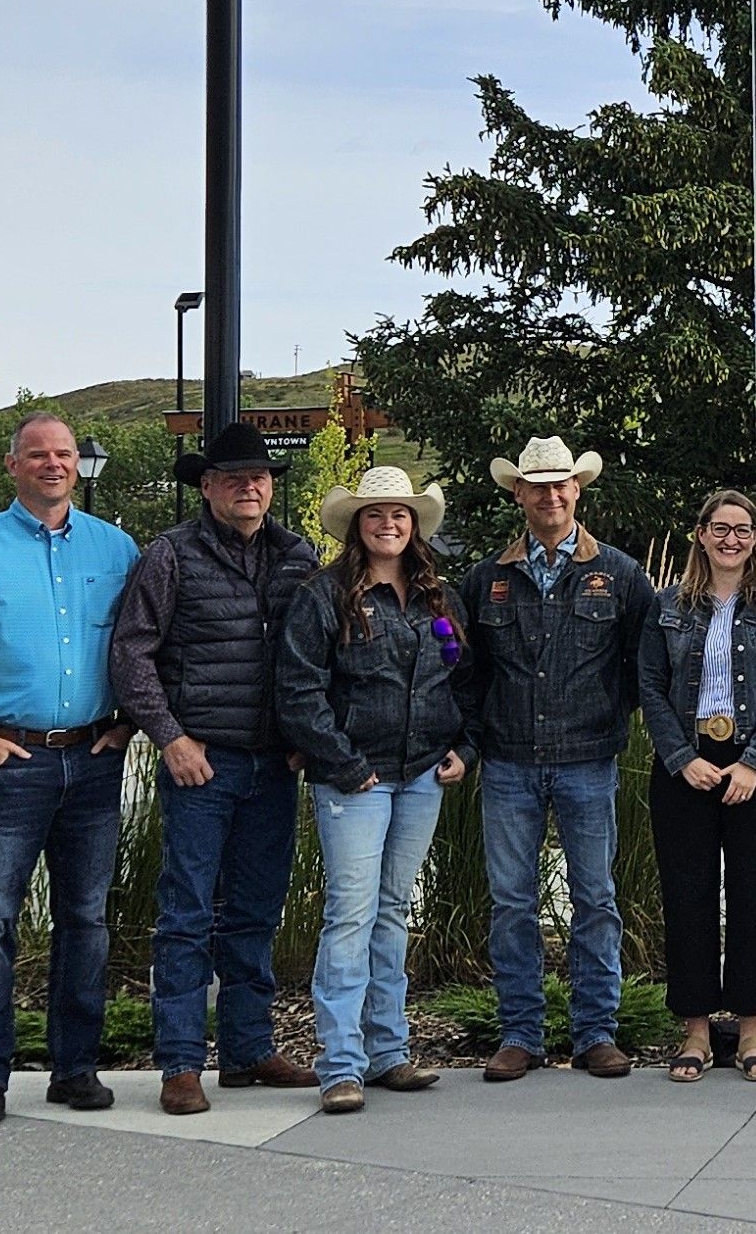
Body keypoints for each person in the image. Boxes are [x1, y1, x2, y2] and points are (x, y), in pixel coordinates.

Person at [0, 414, 142, 1127]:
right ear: (12, 464)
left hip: (94, 759)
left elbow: (145, 644)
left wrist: (130, 721)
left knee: (86, 919)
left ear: (79, 463)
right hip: (7, 761)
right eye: (38, 454)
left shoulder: (118, 549)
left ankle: (75, 1069)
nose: (53, 464)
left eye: (64, 453)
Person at [109, 424, 325, 1116]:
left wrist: (303, 740)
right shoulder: (170, 555)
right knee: (186, 913)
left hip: (273, 764)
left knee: (257, 910)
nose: (249, 485)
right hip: (200, 762)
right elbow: (132, 653)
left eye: (259, 475)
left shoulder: (299, 557)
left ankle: (246, 1048)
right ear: (206, 486)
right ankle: (179, 1060)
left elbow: (318, 654)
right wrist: (170, 736)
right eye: (233, 476)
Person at [456, 436, 655, 1082]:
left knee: (595, 898)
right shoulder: (487, 579)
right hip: (508, 761)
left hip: (588, 759)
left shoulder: (622, 574)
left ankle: (596, 1031)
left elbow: (641, 666)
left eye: (560, 483)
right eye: (537, 485)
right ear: (518, 492)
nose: (550, 494)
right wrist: (475, 737)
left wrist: (603, 715)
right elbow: (468, 672)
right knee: (512, 902)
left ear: (578, 489)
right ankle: (521, 1034)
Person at [279, 466, 471, 1115]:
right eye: (375, 514)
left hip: (421, 775)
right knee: (350, 915)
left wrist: (461, 748)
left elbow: (462, 677)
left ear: (414, 525)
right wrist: (344, 762)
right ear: (356, 525)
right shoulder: (324, 596)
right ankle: (339, 1063)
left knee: (393, 911)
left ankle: (389, 1049)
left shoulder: (435, 596)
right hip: (353, 780)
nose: (389, 523)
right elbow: (299, 689)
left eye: (400, 514)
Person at [639, 489, 756, 1083]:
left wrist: (754, 761)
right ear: (701, 534)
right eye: (719, 528)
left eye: (743, 530)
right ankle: (695, 1031)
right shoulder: (667, 606)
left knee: (754, 897)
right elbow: (650, 687)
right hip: (686, 764)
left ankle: (752, 1029)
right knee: (687, 896)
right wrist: (682, 757)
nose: (730, 539)